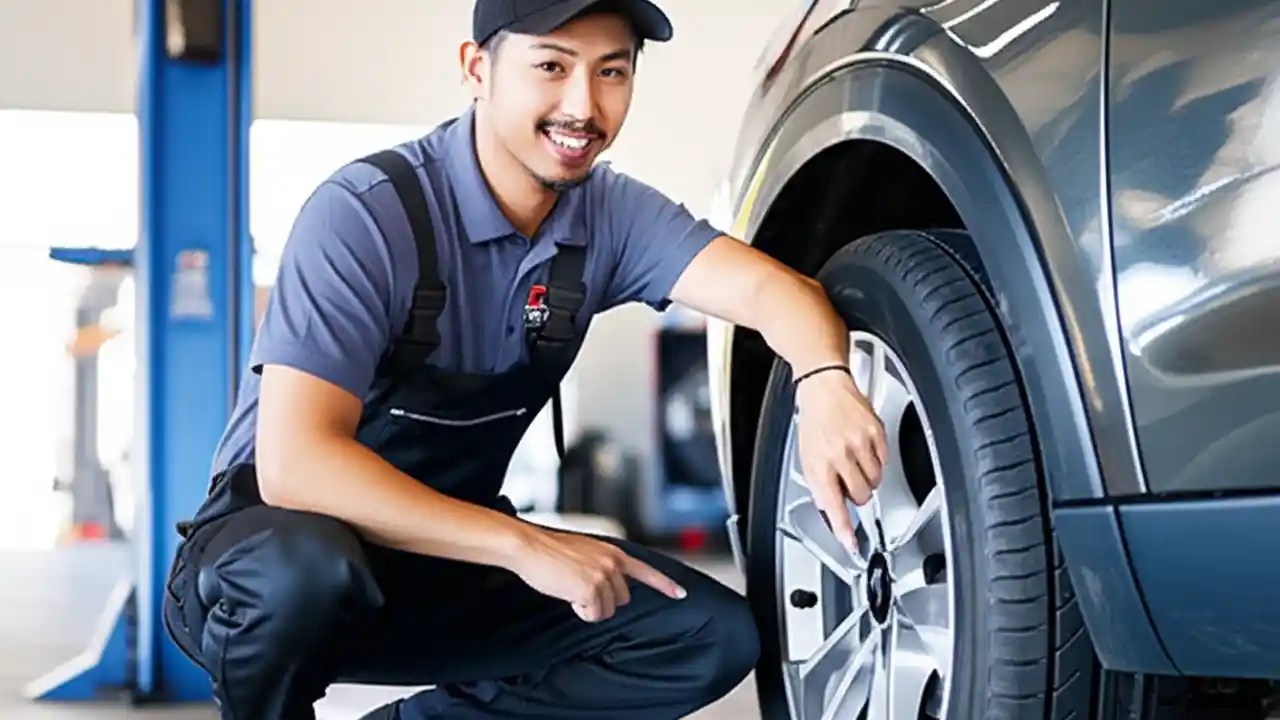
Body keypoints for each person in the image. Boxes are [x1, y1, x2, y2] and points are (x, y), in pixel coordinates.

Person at [161, 0, 887, 718]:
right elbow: (296, 466)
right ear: (477, 69)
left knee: (709, 634)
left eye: (612, 72)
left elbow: (773, 290)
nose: (583, 105)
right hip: (266, 570)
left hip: (444, 565)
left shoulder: (608, 216)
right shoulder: (368, 213)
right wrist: (523, 544)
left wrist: (824, 379)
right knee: (306, 572)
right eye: (551, 66)